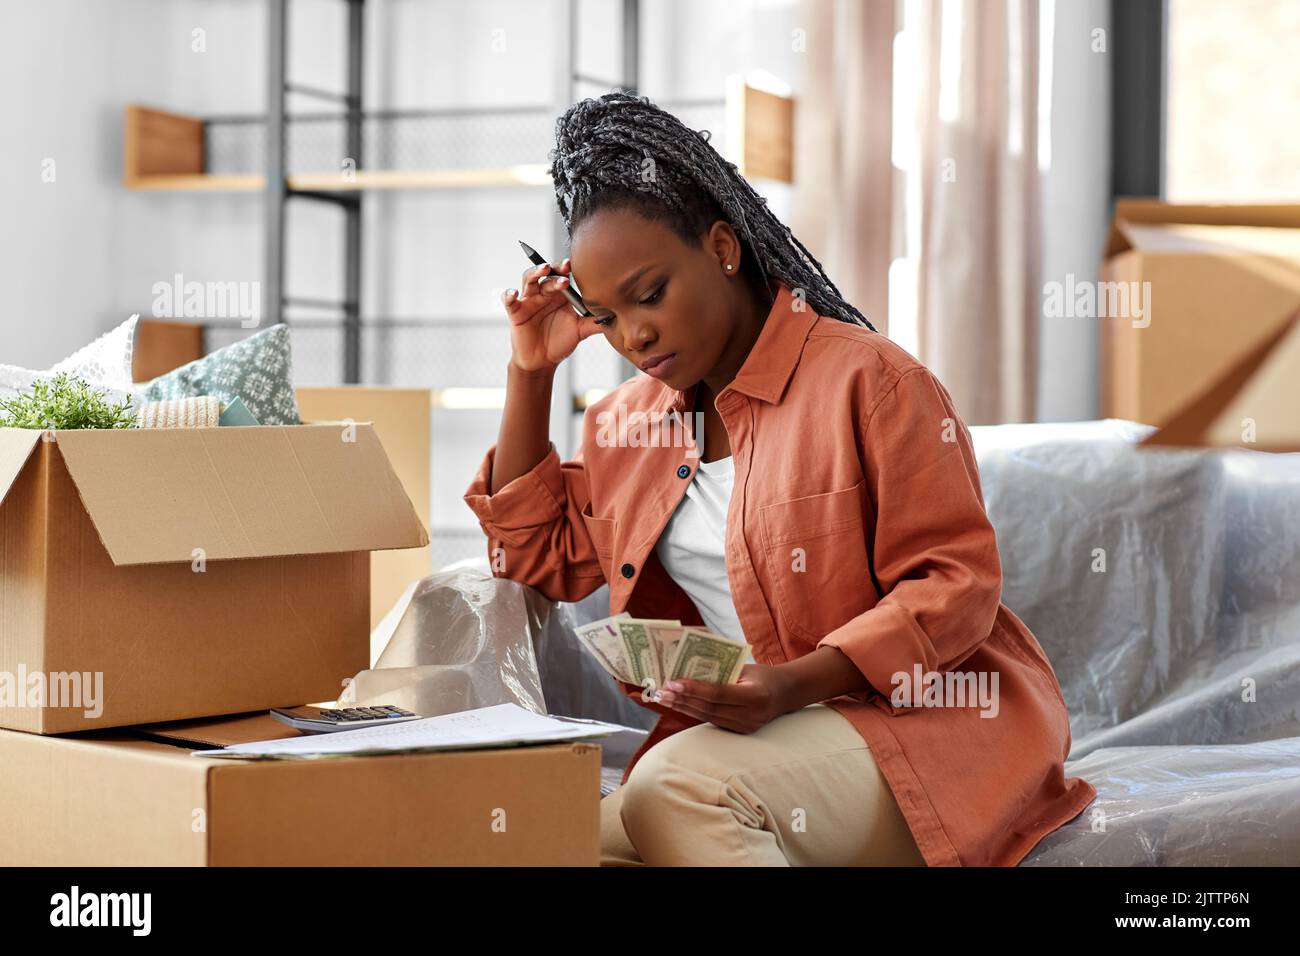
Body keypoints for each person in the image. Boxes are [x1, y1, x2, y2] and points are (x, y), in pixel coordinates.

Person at [464, 91, 1097, 866]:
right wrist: (530, 371)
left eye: (650, 293)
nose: (634, 336)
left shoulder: (872, 383)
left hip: (922, 730)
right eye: (605, 317)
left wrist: (789, 685)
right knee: (552, 845)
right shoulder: (628, 423)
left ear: (723, 248)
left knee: (673, 790)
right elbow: (537, 557)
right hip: (755, 744)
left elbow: (954, 586)